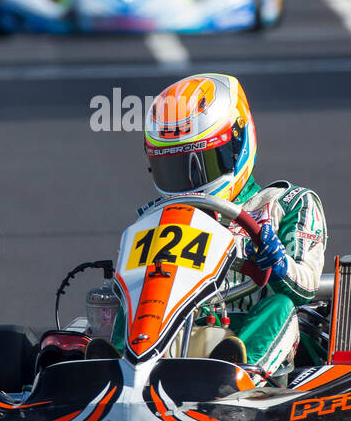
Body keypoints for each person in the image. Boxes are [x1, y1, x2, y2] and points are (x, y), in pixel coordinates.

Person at [103, 73, 329, 380]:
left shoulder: (286, 203)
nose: (188, 183)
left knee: (280, 304)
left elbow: (306, 288)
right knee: (127, 306)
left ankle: (236, 373)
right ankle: (116, 370)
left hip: (250, 334)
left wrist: (278, 264)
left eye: (199, 165)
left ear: (235, 145)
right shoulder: (154, 219)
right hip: (172, 334)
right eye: (173, 169)